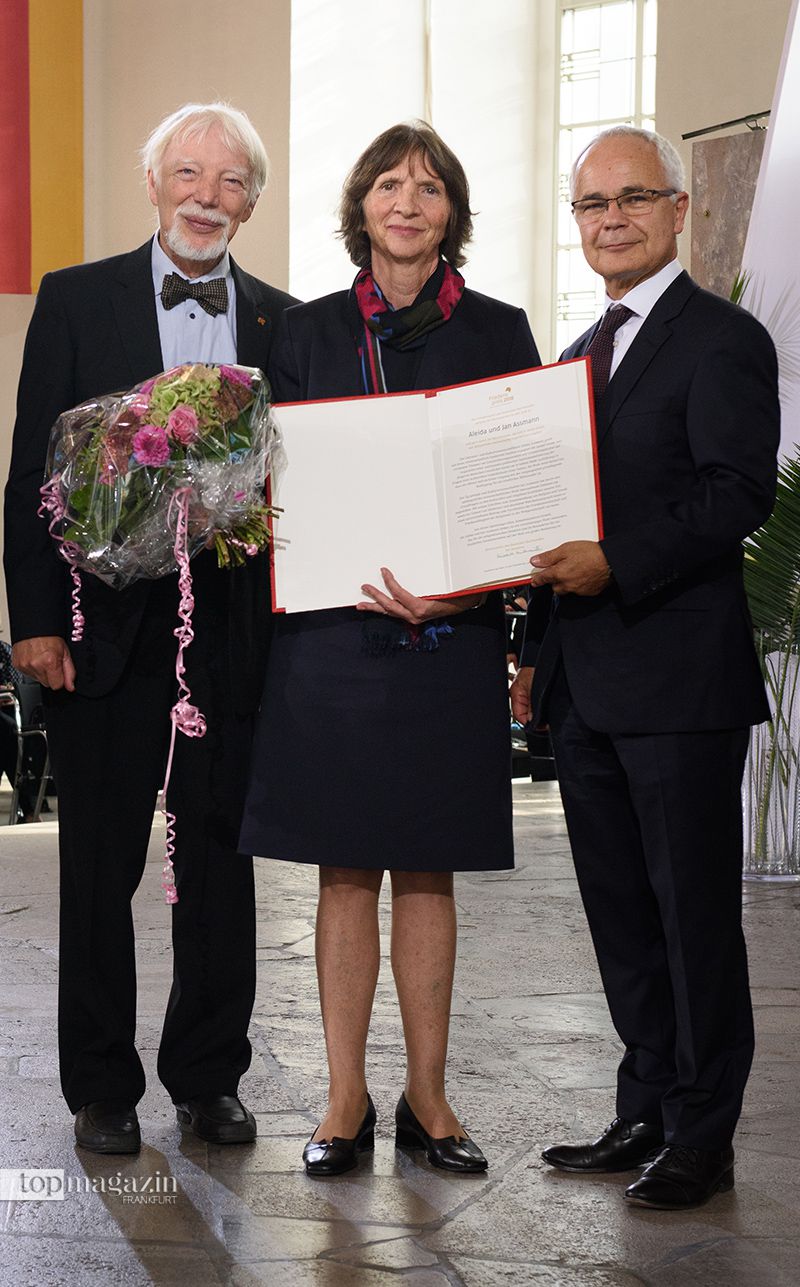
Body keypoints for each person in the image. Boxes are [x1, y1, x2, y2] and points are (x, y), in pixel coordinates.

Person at [239, 121, 540, 1176]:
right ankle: (340, 1100)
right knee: (342, 872)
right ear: (358, 204)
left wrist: (463, 586)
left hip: (446, 642)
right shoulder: (302, 331)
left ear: (451, 212)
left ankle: (430, 1098)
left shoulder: (501, 330)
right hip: (330, 642)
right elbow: (270, 484)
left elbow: (520, 487)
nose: (405, 201)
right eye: (386, 184)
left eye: (427, 187)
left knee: (428, 871)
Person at [4, 102, 297, 1154]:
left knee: (218, 862)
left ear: (252, 199)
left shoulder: (284, 318)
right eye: (187, 172)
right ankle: (100, 1088)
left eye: (229, 181)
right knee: (99, 866)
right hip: (100, 633)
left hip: (229, 637)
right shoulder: (77, 299)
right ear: (153, 181)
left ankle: (208, 1077)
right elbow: (34, 469)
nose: (205, 196)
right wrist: (34, 623)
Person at [511, 125, 780, 1210]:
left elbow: (733, 494)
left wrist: (611, 565)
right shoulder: (576, 358)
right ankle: (644, 1105)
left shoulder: (719, 340)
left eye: (632, 198)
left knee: (690, 919)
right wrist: (531, 651)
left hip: (676, 684)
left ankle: (702, 1134)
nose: (610, 218)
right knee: (619, 914)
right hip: (584, 684)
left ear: (679, 212)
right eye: (590, 204)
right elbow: (546, 518)